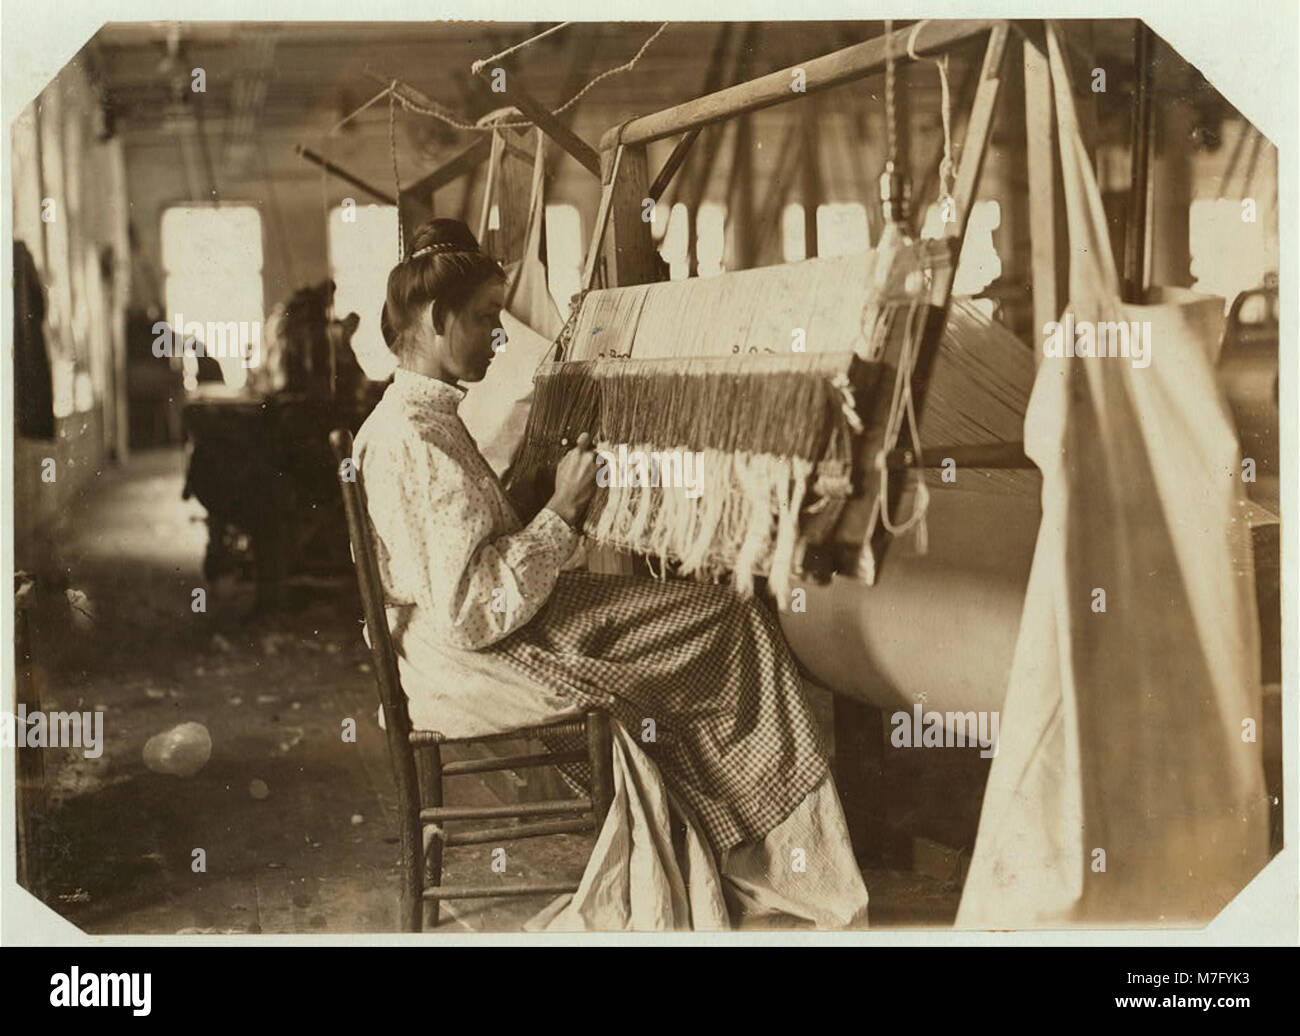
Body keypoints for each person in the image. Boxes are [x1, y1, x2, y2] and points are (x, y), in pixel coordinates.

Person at [352, 217, 870, 928]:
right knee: (733, 619)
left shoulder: (406, 422)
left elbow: (459, 554)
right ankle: (778, 858)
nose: (498, 337)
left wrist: (541, 504)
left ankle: (750, 841)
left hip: (463, 640)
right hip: (484, 654)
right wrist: (562, 510)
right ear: (438, 321)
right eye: (483, 319)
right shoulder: (418, 438)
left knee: (697, 618)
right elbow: (472, 610)